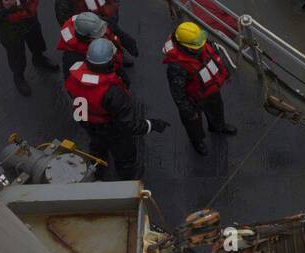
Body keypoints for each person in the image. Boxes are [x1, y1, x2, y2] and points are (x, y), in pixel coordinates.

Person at [65, 38, 166, 180]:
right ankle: (127, 177)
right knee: (125, 155)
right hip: (112, 129)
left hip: (87, 122)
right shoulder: (112, 92)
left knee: (97, 148)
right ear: (110, 60)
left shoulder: (73, 77)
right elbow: (128, 125)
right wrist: (152, 125)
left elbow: (74, 97)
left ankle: (99, 171)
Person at [162, 21, 236, 155]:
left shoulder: (200, 41)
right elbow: (178, 94)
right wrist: (188, 111)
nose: (202, 45)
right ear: (186, 46)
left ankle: (217, 126)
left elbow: (215, 56)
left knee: (217, 108)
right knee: (193, 123)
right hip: (193, 99)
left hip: (210, 89)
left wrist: (226, 71)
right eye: (198, 45)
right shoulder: (176, 67)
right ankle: (197, 141)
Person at [56, 11, 127, 74]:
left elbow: (112, 27)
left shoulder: (90, 23)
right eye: (98, 33)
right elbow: (71, 75)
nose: (103, 33)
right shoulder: (72, 57)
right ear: (88, 38)